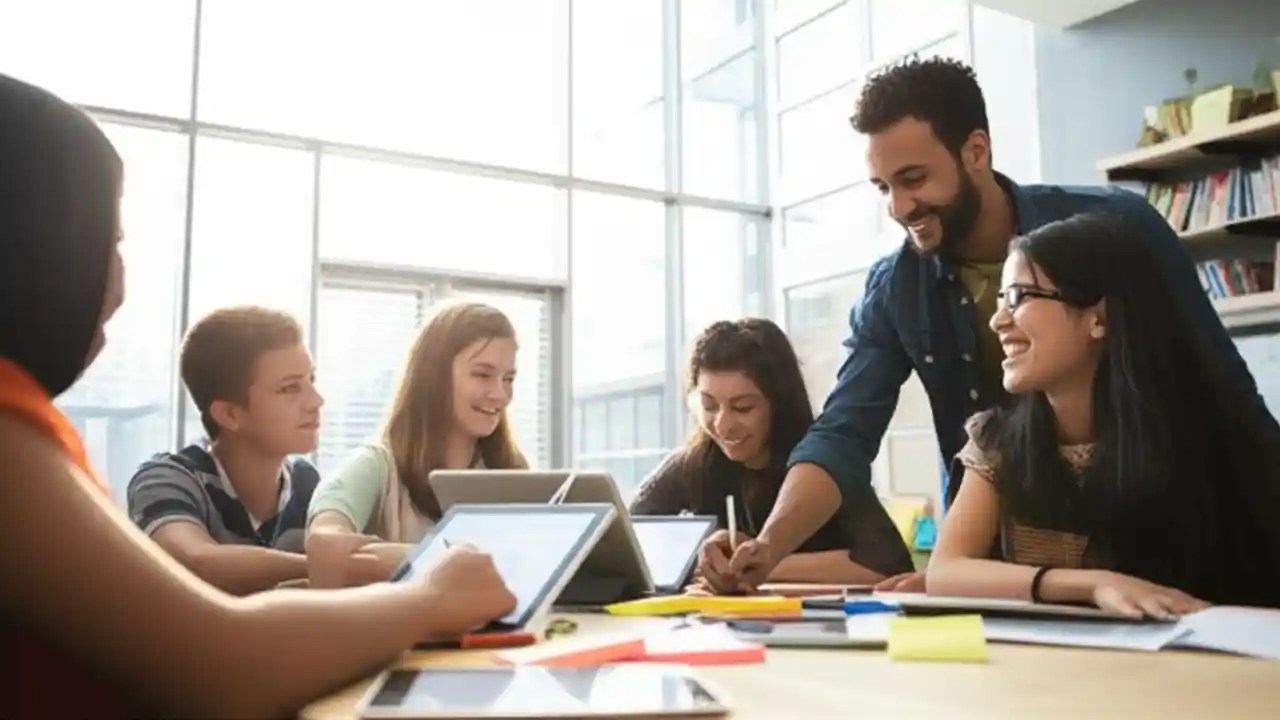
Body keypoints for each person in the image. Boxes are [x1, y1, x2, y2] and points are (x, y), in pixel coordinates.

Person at [0, 73, 516, 718]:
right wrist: (426, 595)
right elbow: (212, 653)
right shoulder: (47, 449)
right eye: (110, 245)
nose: (119, 283)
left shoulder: (304, 483)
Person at [698, 57, 1278, 595]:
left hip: (1158, 545)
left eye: (914, 178)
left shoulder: (1114, 227)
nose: (898, 207)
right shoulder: (896, 288)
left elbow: (1226, 395)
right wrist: (768, 547)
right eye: (884, 188)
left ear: (976, 151)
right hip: (1000, 568)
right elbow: (843, 434)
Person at [927, 213, 1280, 615]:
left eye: (1020, 297)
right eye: (1001, 298)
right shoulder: (996, 441)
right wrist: (1096, 584)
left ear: (1099, 318)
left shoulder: (1208, 436)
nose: (998, 320)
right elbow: (945, 572)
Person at [630, 319, 913, 585]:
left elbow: (889, 565)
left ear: (779, 404)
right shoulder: (692, 464)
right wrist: (701, 557)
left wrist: (760, 562)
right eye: (709, 406)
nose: (723, 425)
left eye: (743, 408)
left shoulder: (820, 468)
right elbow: (626, 538)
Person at [306, 301, 528, 583]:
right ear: (434, 376)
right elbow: (324, 545)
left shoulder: (512, 471)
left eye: (508, 379)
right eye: (482, 375)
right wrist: (454, 562)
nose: (500, 394)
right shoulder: (376, 465)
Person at [127, 306, 323, 595]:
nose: (316, 401)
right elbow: (197, 562)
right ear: (229, 414)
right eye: (290, 388)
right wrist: (330, 566)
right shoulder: (166, 479)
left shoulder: (308, 484)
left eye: (311, 380)